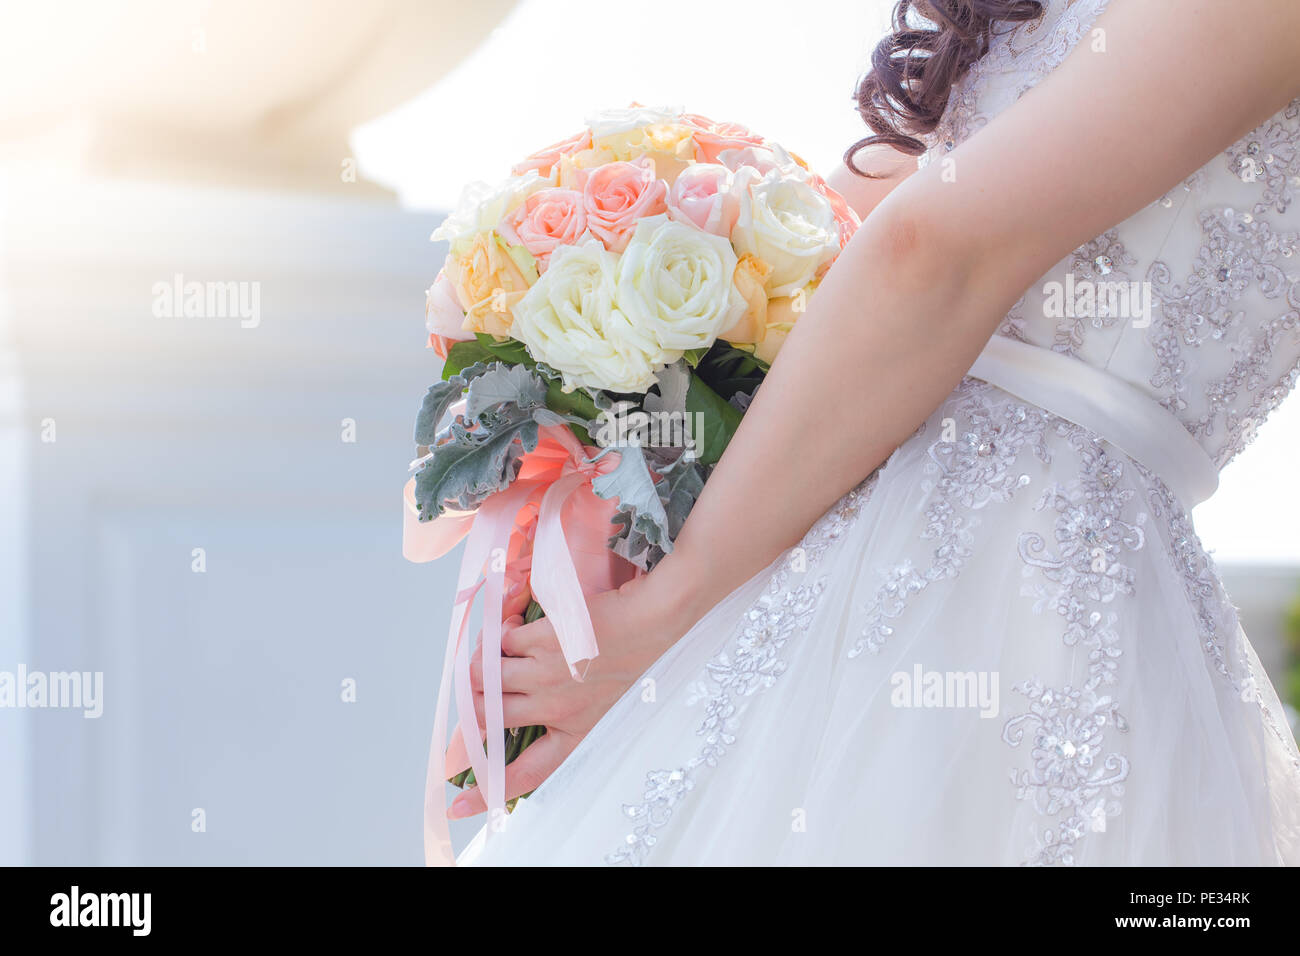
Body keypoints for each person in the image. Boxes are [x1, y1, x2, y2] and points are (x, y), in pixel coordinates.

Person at [454, 0, 1300, 865]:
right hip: (876, 529)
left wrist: (674, 609)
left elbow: (932, 253)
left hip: (998, 566)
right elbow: (844, 243)